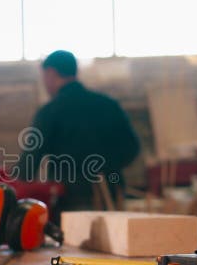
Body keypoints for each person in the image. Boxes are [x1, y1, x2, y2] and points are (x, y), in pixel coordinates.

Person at [17, 50, 140, 211]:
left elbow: (29, 162)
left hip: (69, 200)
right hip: (109, 193)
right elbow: (132, 148)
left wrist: (15, 191)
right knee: (113, 235)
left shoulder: (50, 112)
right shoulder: (109, 105)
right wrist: (107, 166)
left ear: (50, 73)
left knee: (74, 236)